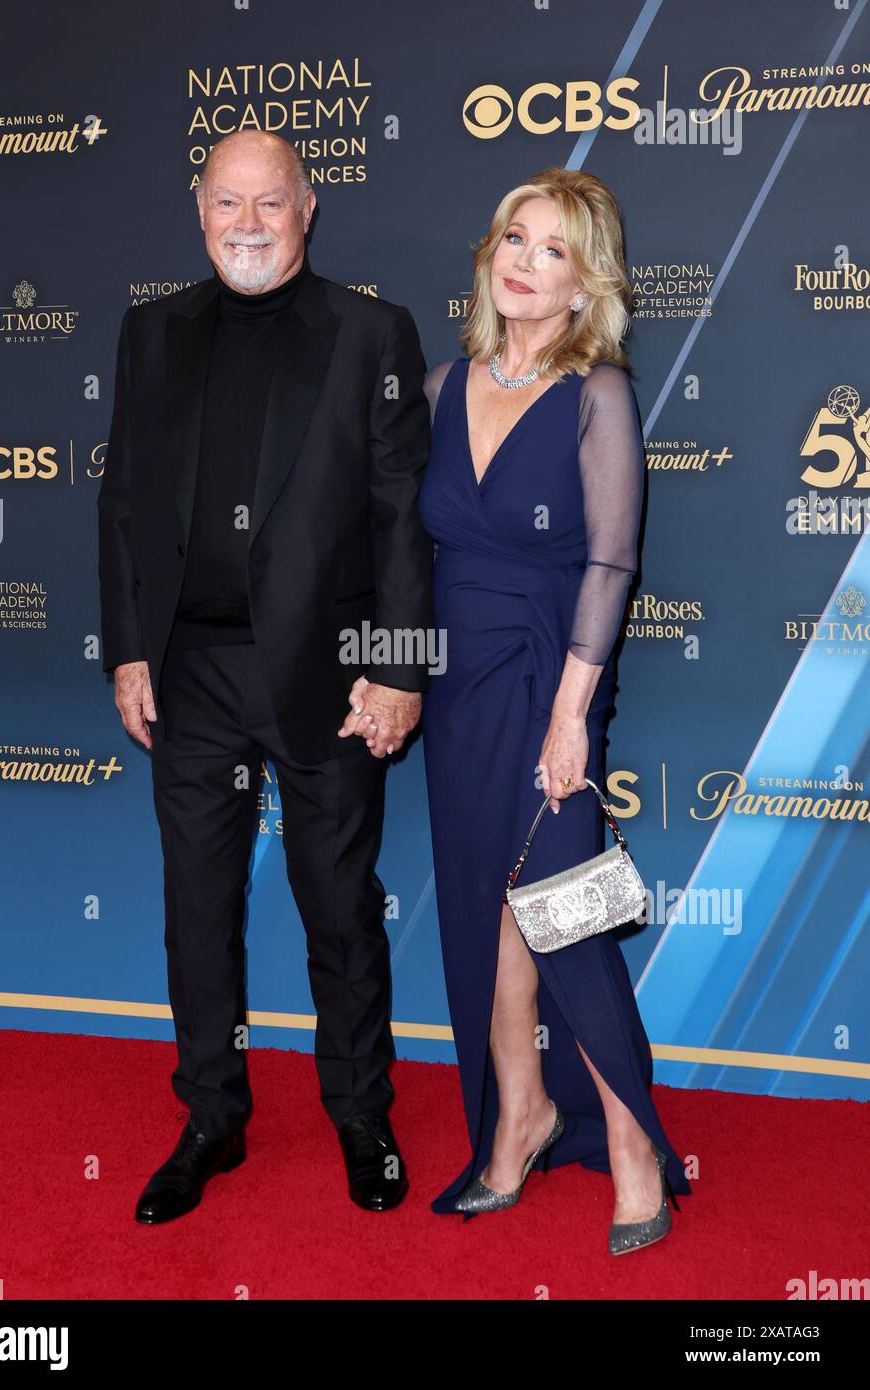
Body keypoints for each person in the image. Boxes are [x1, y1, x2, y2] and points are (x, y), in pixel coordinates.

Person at [97, 130, 433, 1224]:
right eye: (227, 202)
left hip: (330, 674)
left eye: (270, 202)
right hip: (189, 671)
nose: (247, 222)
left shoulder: (370, 333)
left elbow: (402, 520)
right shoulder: (151, 332)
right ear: (198, 208)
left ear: (309, 206)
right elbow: (120, 503)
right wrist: (129, 648)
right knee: (195, 907)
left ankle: (359, 1113)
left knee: (337, 903)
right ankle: (210, 1115)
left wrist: (395, 665)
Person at [419, 167, 691, 1254]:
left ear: (584, 286)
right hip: (456, 680)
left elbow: (611, 561)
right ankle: (518, 1117)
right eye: (512, 239)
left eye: (552, 251)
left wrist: (571, 715)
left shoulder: (597, 391)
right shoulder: (441, 386)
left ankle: (630, 1144)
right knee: (485, 911)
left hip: (552, 670)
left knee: (566, 916)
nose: (522, 262)